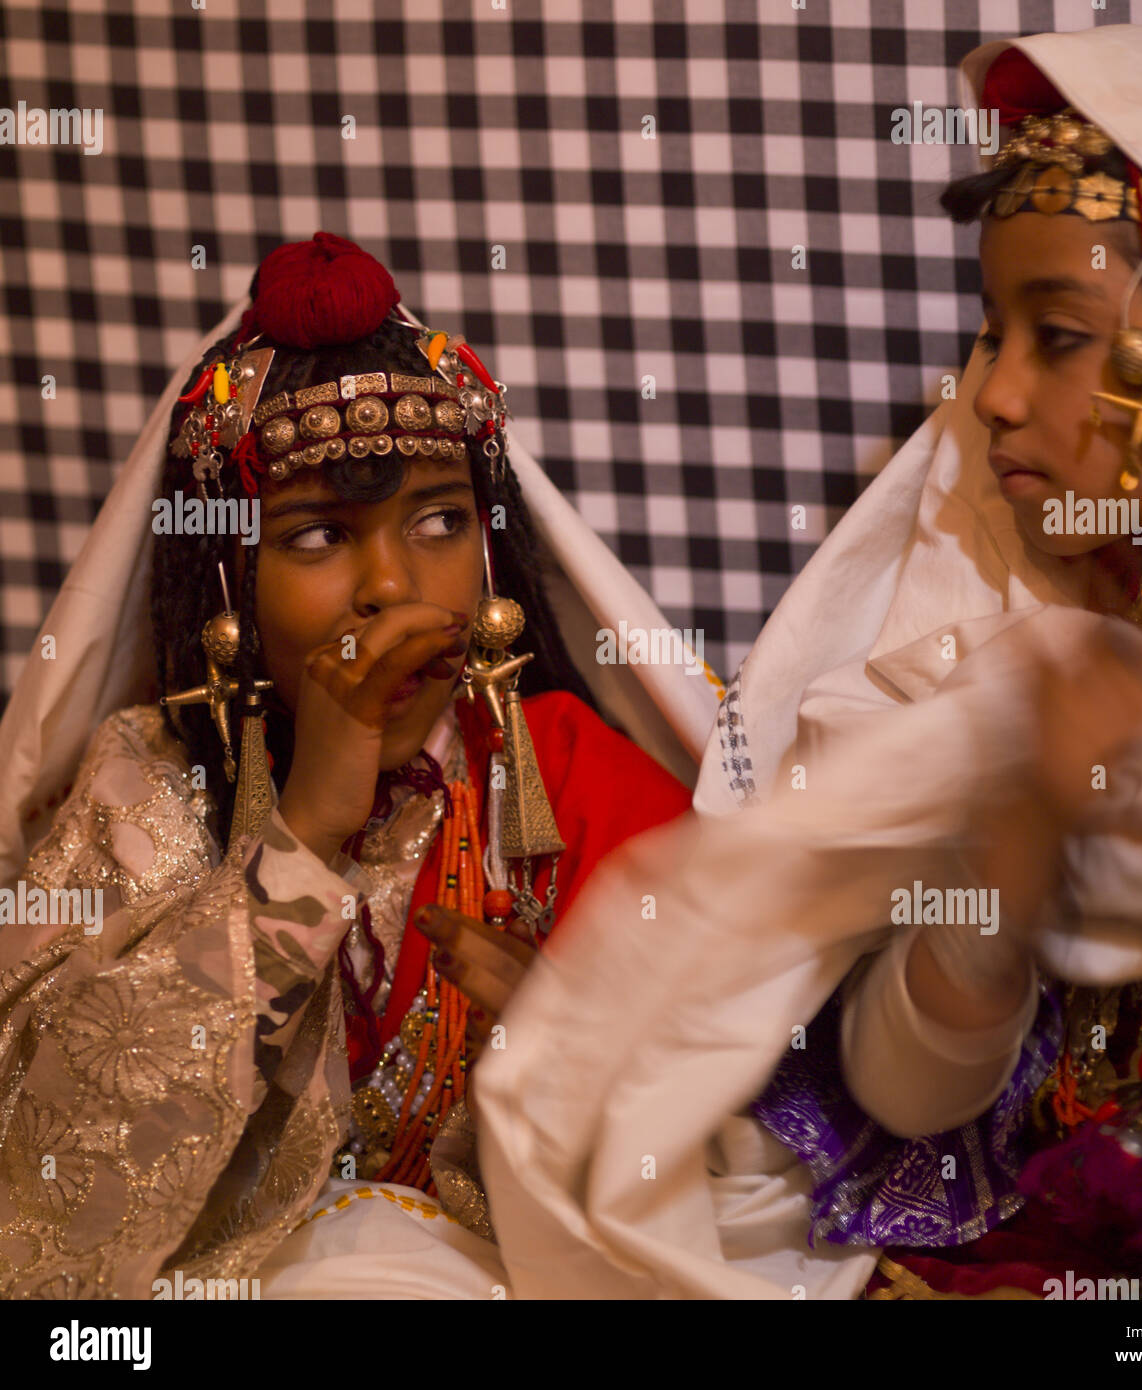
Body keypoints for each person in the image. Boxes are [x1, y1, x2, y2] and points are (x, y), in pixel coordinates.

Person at [470, 26, 1142, 1298]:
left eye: (1058, 336)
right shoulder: (999, 670)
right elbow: (912, 1100)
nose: (992, 398)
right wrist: (998, 885)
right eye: (990, 331)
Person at [0, 232, 720, 1299]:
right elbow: (43, 1209)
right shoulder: (137, 795)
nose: (392, 585)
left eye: (438, 519)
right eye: (316, 537)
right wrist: (296, 850)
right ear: (225, 579)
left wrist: (568, 1047)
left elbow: (727, 1168)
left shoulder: (576, 785)